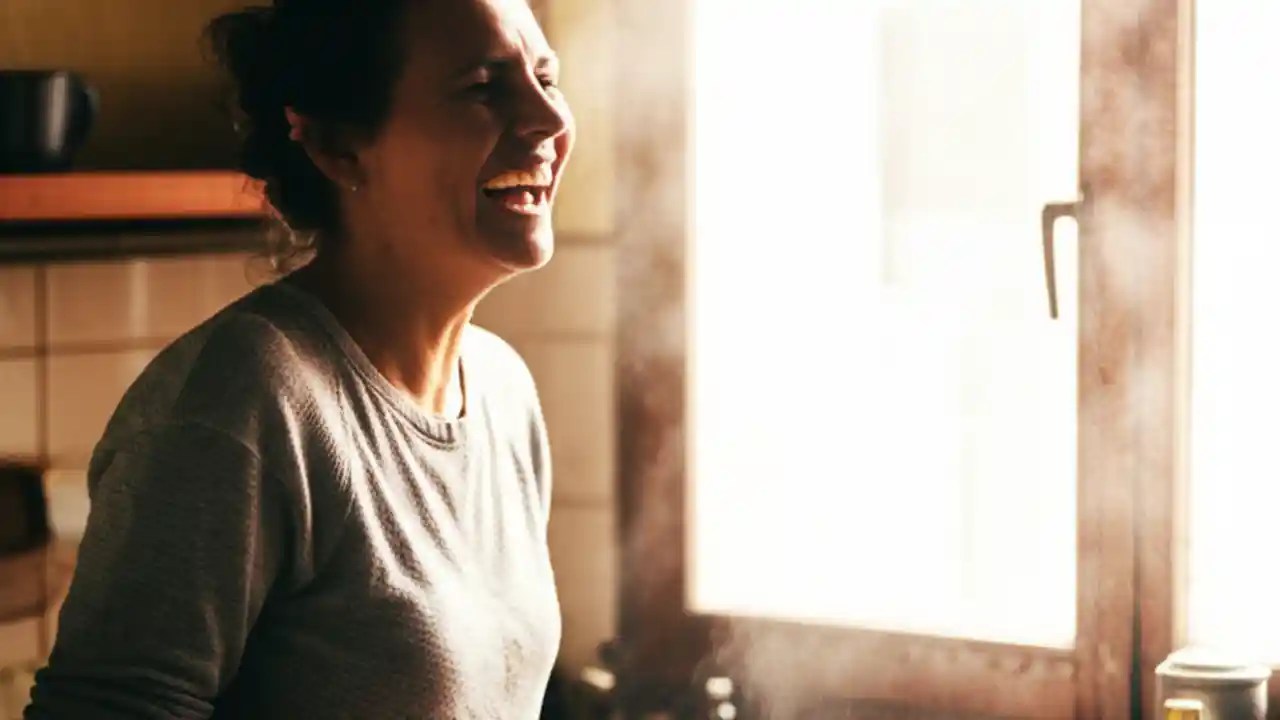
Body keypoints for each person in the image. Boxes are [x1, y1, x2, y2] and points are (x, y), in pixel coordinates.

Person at [24, 0, 574, 716]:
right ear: (338, 147)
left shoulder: (503, 391)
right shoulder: (247, 398)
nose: (549, 121)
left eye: (546, 77)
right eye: (481, 87)